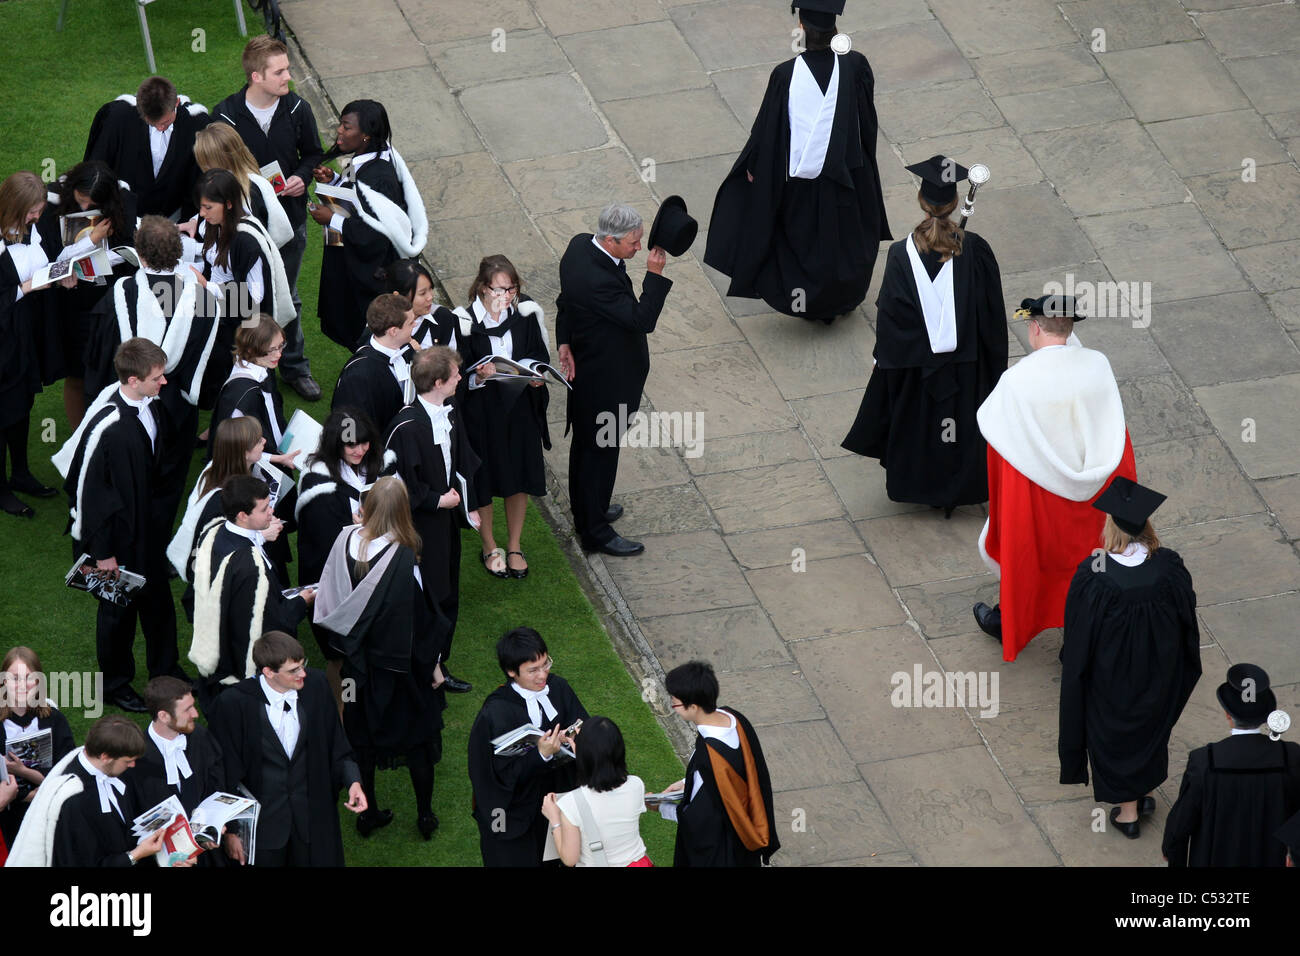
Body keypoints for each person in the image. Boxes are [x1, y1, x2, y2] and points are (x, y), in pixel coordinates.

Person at [971, 294, 1137, 662]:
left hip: (1040, 498)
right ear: (1070, 327)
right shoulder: (1098, 364)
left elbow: (1000, 445)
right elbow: (1116, 433)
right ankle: (1077, 641)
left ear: (1034, 327)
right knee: (1089, 562)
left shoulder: (1015, 382)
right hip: (1097, 503)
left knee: (1033, 561)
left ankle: (1010, 619)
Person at [703, 0, 891, 322]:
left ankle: (813, 304)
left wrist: (754, 167)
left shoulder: (786, 75)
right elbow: (866, 122)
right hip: (848, 177)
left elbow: (769, 129)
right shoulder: (855, 65)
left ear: (801, 27)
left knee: (806, 243)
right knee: (846, 242)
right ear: (835, 27)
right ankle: (844, 299)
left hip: (802, 185)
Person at [842, 156, 1007, 513]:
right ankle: (959, 489)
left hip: (916, 369)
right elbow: (991, 314)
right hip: (966, 367)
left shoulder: (901, 255)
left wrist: (883, 359)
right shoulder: (974, 249)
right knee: (958, 430)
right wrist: (994, 366)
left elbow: (890, 316)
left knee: (921, 427)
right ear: (953, 205)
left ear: (922, 201)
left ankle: (922, 486)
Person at [1058, 478, 1202, 839]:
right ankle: (1147, 792)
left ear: (1110, 527)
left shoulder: (1096, 576)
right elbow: (1187, 621)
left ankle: (1128, 814)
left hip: (1112, 682)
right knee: (1152, 730)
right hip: (1160, 674)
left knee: (1116, 737)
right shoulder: (1169, 568)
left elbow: (1078, 634)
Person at [314, 477, 449, 840]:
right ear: (404, 512)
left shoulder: (343, 540)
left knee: (361, 742)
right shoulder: (404, 561)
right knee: (419, 742)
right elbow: (422, 625)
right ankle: (425, 816)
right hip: (400, 672)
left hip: (355, 671)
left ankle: (367, 813)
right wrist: (433, 666)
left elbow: (330, 596)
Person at [54, 338, 182, 713]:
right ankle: (115, 685)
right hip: (115, 545)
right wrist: (102, 554)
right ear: (132, 379)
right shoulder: (106, 426)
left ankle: (165, 668)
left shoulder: (149, 403)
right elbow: (83, 493)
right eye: (157, 377)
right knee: (117, 616)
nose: (164, 383)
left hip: (147, 532)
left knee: (158, 603)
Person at [85, 214, 222, 534]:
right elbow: (212, 358)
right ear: (179, 252)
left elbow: (99, 355)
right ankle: (156, 542)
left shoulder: (120, 293)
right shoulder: (201, 299)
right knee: (169, 478)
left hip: (126, 401)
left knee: (123, 472)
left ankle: (123, 536)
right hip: (176, 404)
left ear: (140, 252)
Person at [213, 34, 325, 401]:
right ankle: (246, 370)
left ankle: (294, 366)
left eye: (288, 68)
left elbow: (313, 154)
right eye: (280, 71)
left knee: (287, 298)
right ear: (256, 77)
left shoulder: (297, 109)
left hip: (288, 224)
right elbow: (214, 173)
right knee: (241, 300)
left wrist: (302, 177)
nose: (288, 77)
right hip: (242, 229)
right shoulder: (226, 116)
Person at [556, 202, 671, 556]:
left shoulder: (579, 245)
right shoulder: (598, 281)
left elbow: (565, 302)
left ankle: (592, 508)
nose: (639, 248)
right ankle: (595, 532)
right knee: (599, 452)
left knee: (593, 450)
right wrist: (655, 274)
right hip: (604, 381)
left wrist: (563, 341)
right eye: (633, 243)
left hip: (599, 368)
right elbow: (641, 320)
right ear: (609, 240)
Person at [207, 631, 366, 866]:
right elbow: (221, 772)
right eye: (293, 670)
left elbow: (336, 743)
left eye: (303, 665)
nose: (303, 674)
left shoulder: (317, 686)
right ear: (268, 672)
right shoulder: (232, 704)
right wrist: (230, 831)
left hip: (311, 820)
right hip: (264, 829)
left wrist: (353, 781)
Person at [386, 347, 481, 694]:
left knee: (447, 590)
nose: (461, 378)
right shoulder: (406, 428)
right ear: (439, 382)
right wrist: (436, 500)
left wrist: (466, 505)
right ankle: (426, 667)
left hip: (445, 522)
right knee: (427, 594)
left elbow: (459, 463)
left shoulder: (449, 412)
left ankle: (438, 661)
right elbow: (395, 484)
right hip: (418, 527)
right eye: (456, 374)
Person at [455, 255, 551, 579]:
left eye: (511, 289)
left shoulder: (524, 316)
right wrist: (479, 377)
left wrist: (537, 375)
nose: (507, 296)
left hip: (519, 409)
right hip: (482, 414)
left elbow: (538, 354)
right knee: (484, 479)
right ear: (483, 288)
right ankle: (488, 545)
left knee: (517, 476)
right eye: (499, 289)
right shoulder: (464, 323)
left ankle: (513, 545)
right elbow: (456, 374)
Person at [309, 99, 427, 349]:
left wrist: (333, 220)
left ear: (366, 135)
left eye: (346, 127)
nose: (339, 131)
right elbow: (357, 195)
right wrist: (335, 181)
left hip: (370, 276)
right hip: (355, 264)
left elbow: (377, 235)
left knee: (368, 339)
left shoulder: (380, 177)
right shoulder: (364, 158)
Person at [296, 407, 396, 696]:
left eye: (364, 443)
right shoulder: (319, 484)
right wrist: (359, 531)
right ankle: (342, 716)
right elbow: (326, 546)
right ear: (335, 444)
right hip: (337, 580)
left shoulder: (380, 466)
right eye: (351, 444)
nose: (360, 450)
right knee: (341, 656)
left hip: (378, 571)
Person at [468, 627, 589, 866]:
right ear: (511, 671)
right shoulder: (496, 713)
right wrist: (541, 755)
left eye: (546, 664)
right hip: (515, 808)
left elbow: (583, 722)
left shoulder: (559, 687)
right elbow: (496, 773)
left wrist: (574, 735)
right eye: (533, 670)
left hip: (557, 798)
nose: (543, 675)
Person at [189, 475, 314, 706]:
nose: (271, 511)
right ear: (243, 515)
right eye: (265, 508)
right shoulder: (250, 567)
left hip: (216, 644)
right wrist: (300, 602)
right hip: (242, 662)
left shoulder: (213, 533)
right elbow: (272, 623)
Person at [35, 161, 142, 428]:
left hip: (110, 301)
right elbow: (46, 266)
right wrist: (90, 241)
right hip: (70, 305)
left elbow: (127, 250)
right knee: (77, 374)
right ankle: (79, 438)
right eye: (81, 201)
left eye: (91, 204)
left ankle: (110, 431)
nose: (84, 209)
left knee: (116, 370)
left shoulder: (122, 199)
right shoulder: (51, 204)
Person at [1163, 664, 1300, 867]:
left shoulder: (1204, 761)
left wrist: (1174, 854)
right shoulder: (1291, 756)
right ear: (1266, 716)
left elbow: (1182, 821)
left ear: (1228, 715)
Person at [658, 660, 779, 867]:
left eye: (675, 702)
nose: (673, 707)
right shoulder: (735, 718)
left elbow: (697, 818)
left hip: (723, 849)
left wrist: (660, 806)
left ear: (693, 706)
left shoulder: (709, 756)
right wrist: (688, 781)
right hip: (745, 830)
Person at [4, 715, 165, 867]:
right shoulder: (74, 801)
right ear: (105, 757)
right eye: (128, 761)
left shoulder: (112, 768)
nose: (132, 766)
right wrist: (135, 855)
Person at [171, 416, 296, 604]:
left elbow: (254, 456)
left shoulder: (218, 467)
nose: (264, 442)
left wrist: (277, 458)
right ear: (243, 451)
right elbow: (221, 548)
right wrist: (262, 535)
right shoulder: (223, 499)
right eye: (258, 440)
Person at [0, 171, 64, 516]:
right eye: (33, 212)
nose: (38, 218)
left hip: (25, 334)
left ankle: (20, 473)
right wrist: (23, 289)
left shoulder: (33, 227)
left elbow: (45, 258)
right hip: (3, 340)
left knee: (21, 403)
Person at [84, 75, 210, 219]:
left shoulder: (197, 124)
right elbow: (97, 167)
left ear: (177, 102)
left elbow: (203, 178)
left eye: (166, 121)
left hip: (175, 216)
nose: (160, 128)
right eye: (152, 123)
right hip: (123, 214)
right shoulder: (117, 118)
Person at [541, 716, 651, 867]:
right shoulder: (636, 785)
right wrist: (580, 748)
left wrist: (554, 820)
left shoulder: (571, 804)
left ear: (584, 755)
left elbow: (569, 858)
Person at [0, 647, 77, 849]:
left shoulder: (54, 719)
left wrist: (22, 771)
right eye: (14, 678)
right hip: (9, 816)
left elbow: (69, 772)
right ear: (4, 681)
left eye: (29, 678)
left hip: (51, 809)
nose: (22, 686)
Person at [120, 677, 226, 818]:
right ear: (164, 716)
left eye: (193, 706)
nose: (195, 714)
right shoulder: (136, 760)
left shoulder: (200, 736)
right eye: (187, 710)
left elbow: (216, 782)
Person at [193, 123, 293, 248]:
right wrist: (195, 220)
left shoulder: (247, 191)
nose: (204, 170)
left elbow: (250, 243)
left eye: (206, 164)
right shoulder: (243, 183)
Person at [332, 292, 418, 435]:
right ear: (394, 331)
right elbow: (349, 432)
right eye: (410, 323)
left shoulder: (404, 349)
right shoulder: (358, 378)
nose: (415, 324)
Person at [380, 258, 458, 350]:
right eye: (422, 293)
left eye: (430, 289)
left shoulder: (442, 316)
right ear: (398, 296)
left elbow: (452, 358)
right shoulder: (380, 326)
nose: (430, 297)